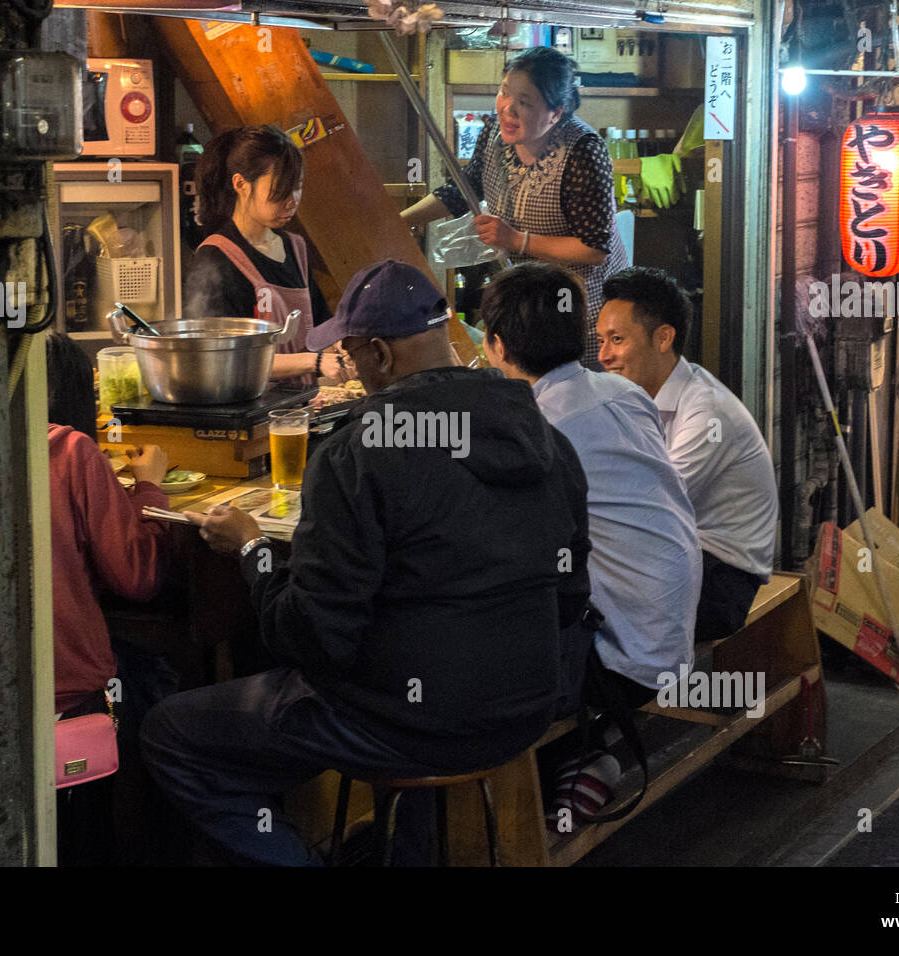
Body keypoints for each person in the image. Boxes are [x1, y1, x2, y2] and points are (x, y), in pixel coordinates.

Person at [140, 260, 592, 865]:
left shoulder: (358, 454)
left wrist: (252, 552)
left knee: (173, 732)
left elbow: (311, 639)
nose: (351, 371)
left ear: (378, 353)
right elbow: (569, 596)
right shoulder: (545, 436)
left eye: (350, 357)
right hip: (528, 702)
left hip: (408, 721)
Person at [481, 262, 700, 822]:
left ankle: (495, 802)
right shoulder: (620, 393)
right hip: (673, 627)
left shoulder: (534, 430)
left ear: (497, 346)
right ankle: (586, 757)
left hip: (621, 661)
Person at [401, 46, 628, 368]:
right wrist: (402, 220)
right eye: (504, 92)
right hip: (527, 301)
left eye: (525, 102)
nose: (508, 109)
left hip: (579, 307)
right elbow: (464, 189)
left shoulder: (583, 151)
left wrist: (517, 240)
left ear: (556, 112)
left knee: (569, 394)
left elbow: (594, 249)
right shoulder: (494, 130)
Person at [596, 267, 778, 643]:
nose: (603, 356)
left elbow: (652, 508)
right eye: (600, 340)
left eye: (616, 339)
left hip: (722, 579)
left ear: (663, 338)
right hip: (680, 555)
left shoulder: (706, 411)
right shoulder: (633, 397)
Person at [46, 332, 170, 865]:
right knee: (156, 678)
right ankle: (159, 845)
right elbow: (139, 577)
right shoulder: (71, 451)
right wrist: (149, 487)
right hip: (69, 698)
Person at [185, 124, 355, 385]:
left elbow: (320, 328)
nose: (291, 201)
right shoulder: (216, 257)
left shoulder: (295, 248)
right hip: (252, 410)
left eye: (296, 187)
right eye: (279, 190)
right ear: (241, 184)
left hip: (303, 407)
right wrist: (315, 361)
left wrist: (342, 347)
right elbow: (224, 357)